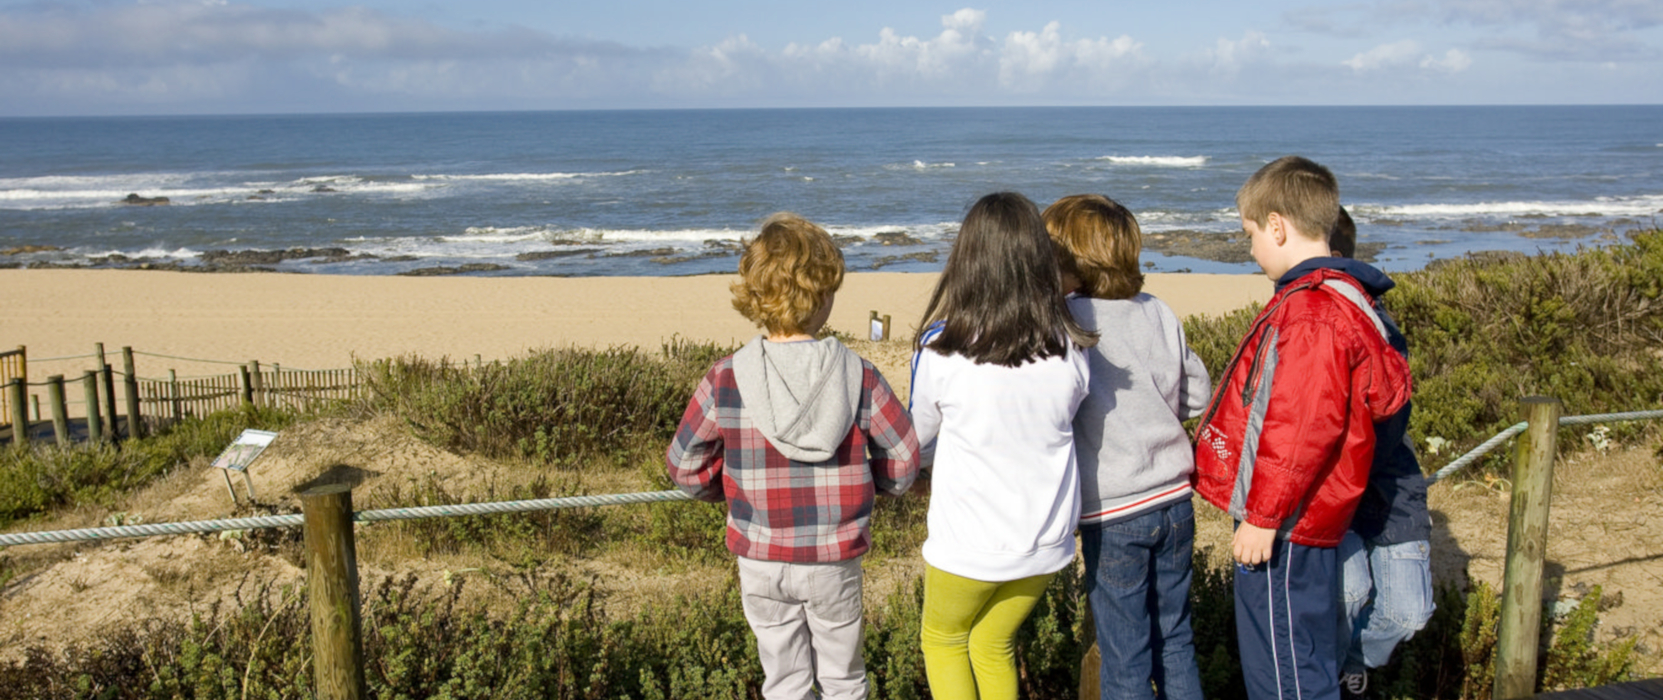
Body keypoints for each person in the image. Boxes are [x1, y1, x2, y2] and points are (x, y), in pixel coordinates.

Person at [665, 212, 921, 700]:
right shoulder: (859, 374)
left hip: (760, 555)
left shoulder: (726, 377)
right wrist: (877, 483)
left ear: (755, 295)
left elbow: (684, 466)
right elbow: (904, 460)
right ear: (824, 296)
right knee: (844, 679)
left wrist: (728, 489)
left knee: (783, 681)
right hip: (833, 558)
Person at [1191, 157, 1412, 700]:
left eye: (1249, 235)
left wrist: (1263, 518)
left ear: (1277, 226)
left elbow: (1299, 427)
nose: (1250, 250)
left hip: (1289, 525)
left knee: (1286, 670)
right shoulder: (1343, 296)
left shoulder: (1312, 313)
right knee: (1298, 661)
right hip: (1309, 515)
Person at [909, 191, 1096, 700]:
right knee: (994, 643)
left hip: (968, 540)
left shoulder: (942, 348)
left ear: (967, 261)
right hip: (1045, 539)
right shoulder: (1070, 346)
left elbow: (916, 440)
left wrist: (912, 474)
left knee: (943, 640)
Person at [1043, 194, 1212, 700]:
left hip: (1114, 509)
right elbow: (1198, 394)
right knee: (1175, 638)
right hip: (1174, 499)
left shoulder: (1065, 320)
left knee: (1125, 656)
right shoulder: (1155, 310)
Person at [1328, 207, 1436, 699]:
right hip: (1334, 490)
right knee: (1348, 593)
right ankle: (1326, 678)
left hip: (1389, 485)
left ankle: (1350, 663)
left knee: (1409, 614)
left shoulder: (1376, 321)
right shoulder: (1303, 317)